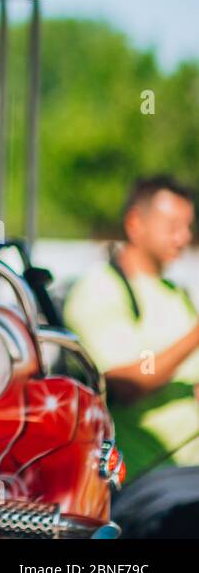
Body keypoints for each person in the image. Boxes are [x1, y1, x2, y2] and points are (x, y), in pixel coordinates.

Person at [63, 176, 199, 475]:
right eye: (174, 226)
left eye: (188, 227)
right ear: (135, 223)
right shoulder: (100, 289)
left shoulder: (178, 294)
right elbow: (130, 383)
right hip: (141, 485)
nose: (184, 237)